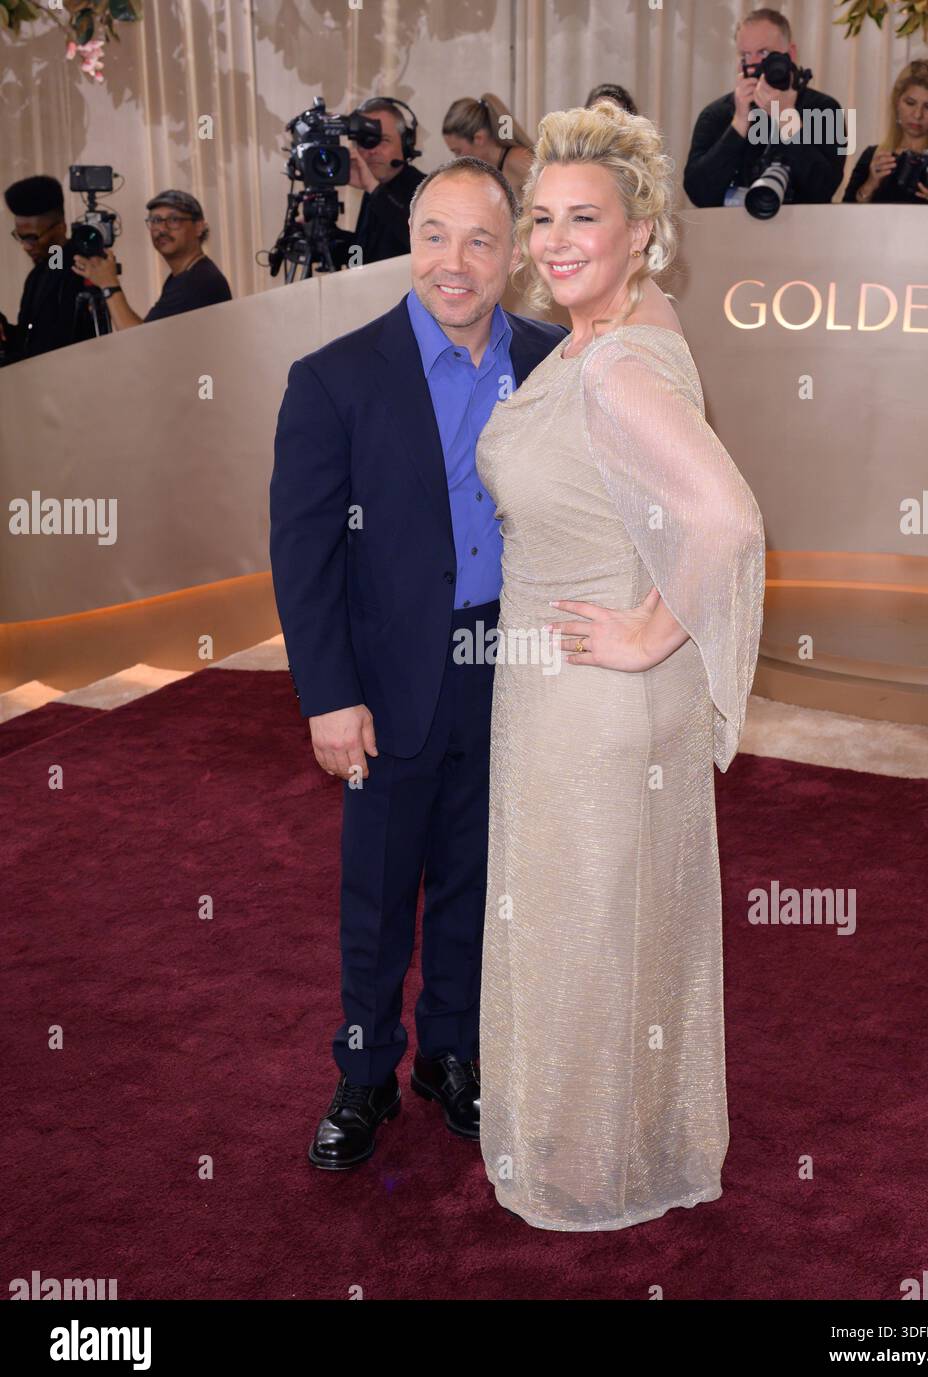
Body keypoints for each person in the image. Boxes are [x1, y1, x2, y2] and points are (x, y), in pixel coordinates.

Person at [475, 102, 766, 1230]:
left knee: (581, 919)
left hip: (591, 695)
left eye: (580, 218)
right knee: (604, 915)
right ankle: (626, 1137)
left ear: (642, 227)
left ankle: (589, 1168)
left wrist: (649, 629)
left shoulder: (615, 367)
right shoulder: (619, 334)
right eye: (539, 216)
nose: (551, 240)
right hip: (584, 692)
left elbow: (726, 520)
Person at [269, 156, 567, 1171]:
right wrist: (330, 696)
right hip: (390, 676)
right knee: (381, 883)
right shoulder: (334, 379)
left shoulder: (556, 360)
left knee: (484, 877)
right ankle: (365, 1073)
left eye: (481, 239)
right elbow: (303, 554)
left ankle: (453, 1054)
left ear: (515, 252)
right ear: (410, 242)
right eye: (436, 235)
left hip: (516, 666)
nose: (456, 261)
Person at [684, 7, 844, 207]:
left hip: (804, 233)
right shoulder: (716, 114)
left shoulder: (825, 109)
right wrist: (739, 123)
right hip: (730, 233)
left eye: (764, 53)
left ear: (790, 54)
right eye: (745, 55)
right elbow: (699, 193)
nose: (753, 64)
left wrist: (785, 116)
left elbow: (824, 188)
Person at [70, 190, 231, 328]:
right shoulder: (182, 276)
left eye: (174, 220)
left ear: (199, 227)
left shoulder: (200, 281)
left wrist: (109, 284)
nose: (162, 228)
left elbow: (141, 342)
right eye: (155, 220)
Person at [843, 59, 928, 205]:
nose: (917, 114)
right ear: (897, 102)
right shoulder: (874, 156)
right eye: (910, 103)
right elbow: (845, 217)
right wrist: (870, 185)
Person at [1, 174, 94, 365]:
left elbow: (56, 346)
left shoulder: (81, 269)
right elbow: (29, 337)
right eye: (20, 237)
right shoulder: (43, 270)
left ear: (60, 228)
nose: (26, 246)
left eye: (32, 238)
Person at [349, 97, 426, 262]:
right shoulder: (376, 188)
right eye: (366, 142)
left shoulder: (426, 188)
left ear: (406, 144)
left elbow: (420, 241)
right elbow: (367, 256)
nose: (372, 151)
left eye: (383, 140)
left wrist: (373, 188)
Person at [442, 94, 535, 207]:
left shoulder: (518, 159)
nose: (457, 158)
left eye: (458, 151)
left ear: (478, 139)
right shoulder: (487, 171)